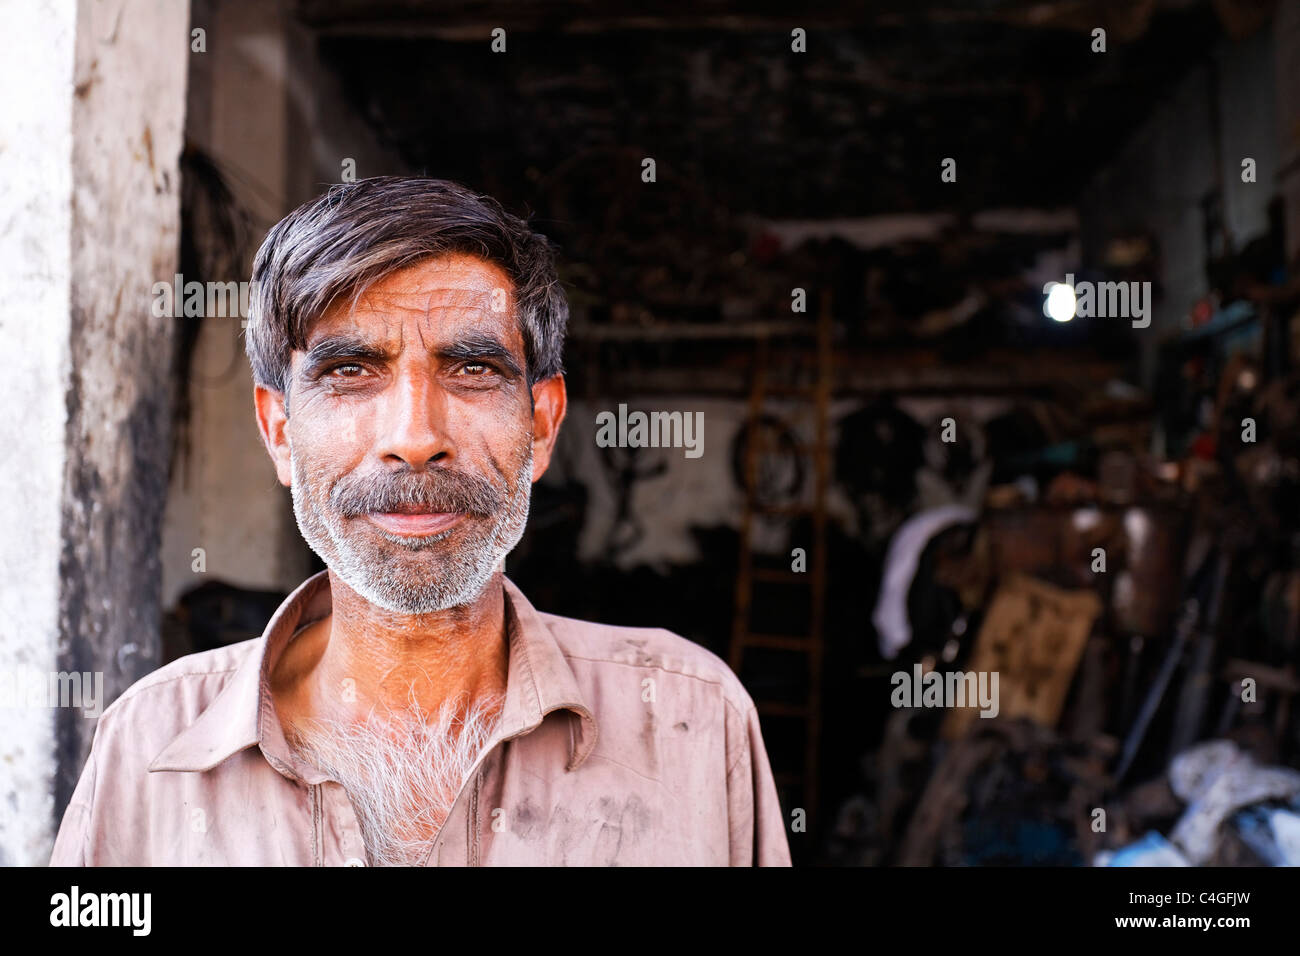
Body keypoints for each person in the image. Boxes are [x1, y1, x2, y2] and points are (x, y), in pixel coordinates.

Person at [50, 177, 791, 866]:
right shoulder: (147, 747)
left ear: (540, 424)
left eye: (472, 370)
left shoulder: (693, 721)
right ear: (279, 432)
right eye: (350, 371)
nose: (414, 434)